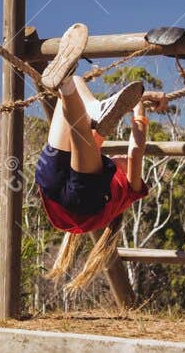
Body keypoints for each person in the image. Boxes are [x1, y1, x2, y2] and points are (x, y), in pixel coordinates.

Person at [33, 23, 149, 235]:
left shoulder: (129, 190)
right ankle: (68, 83)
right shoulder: (104, 174)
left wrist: (139, 108)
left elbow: (136, 150)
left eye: (120, 157)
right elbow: (87, 148)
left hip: (81, 205)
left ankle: (89, 105)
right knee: (75, 85)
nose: (119, 155)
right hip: (48, 184)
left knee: (81, 132)